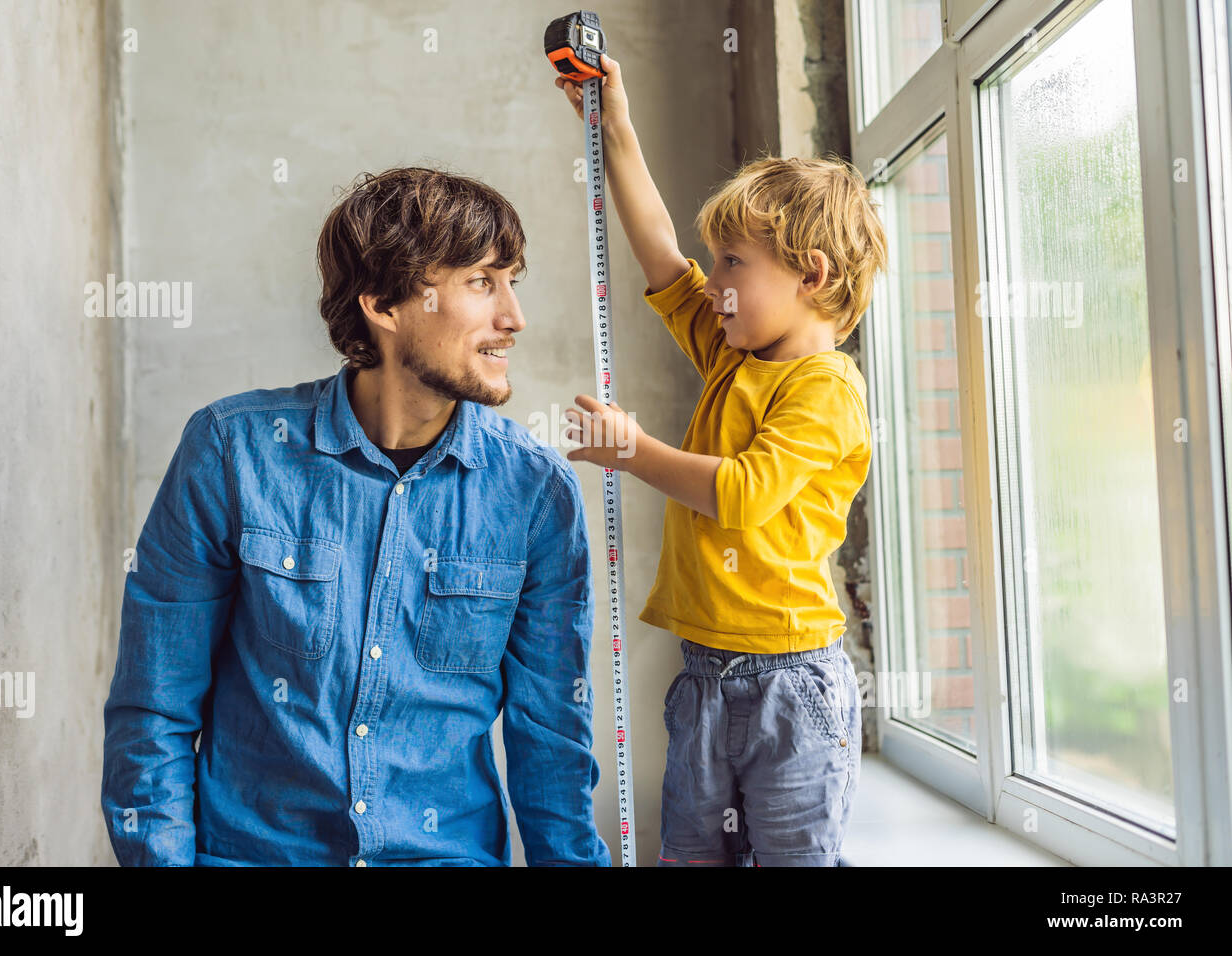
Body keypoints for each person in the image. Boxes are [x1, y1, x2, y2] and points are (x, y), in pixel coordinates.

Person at [101, 166, 611, 867]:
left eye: (512, 280)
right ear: (385, 303)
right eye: (481, 282)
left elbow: (552, 737)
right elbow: (154, 709)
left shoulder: (535, 493)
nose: (513, 317)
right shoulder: (232, 452)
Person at [555, 53, 887, 866]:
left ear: (813, 274)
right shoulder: (732, 352)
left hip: (792, 686)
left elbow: (742, 493)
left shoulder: (825, 390)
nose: (713, 285)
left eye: (733, 264)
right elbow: (664, 258)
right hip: (704, 677)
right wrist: (613, 125)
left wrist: (631, 452)